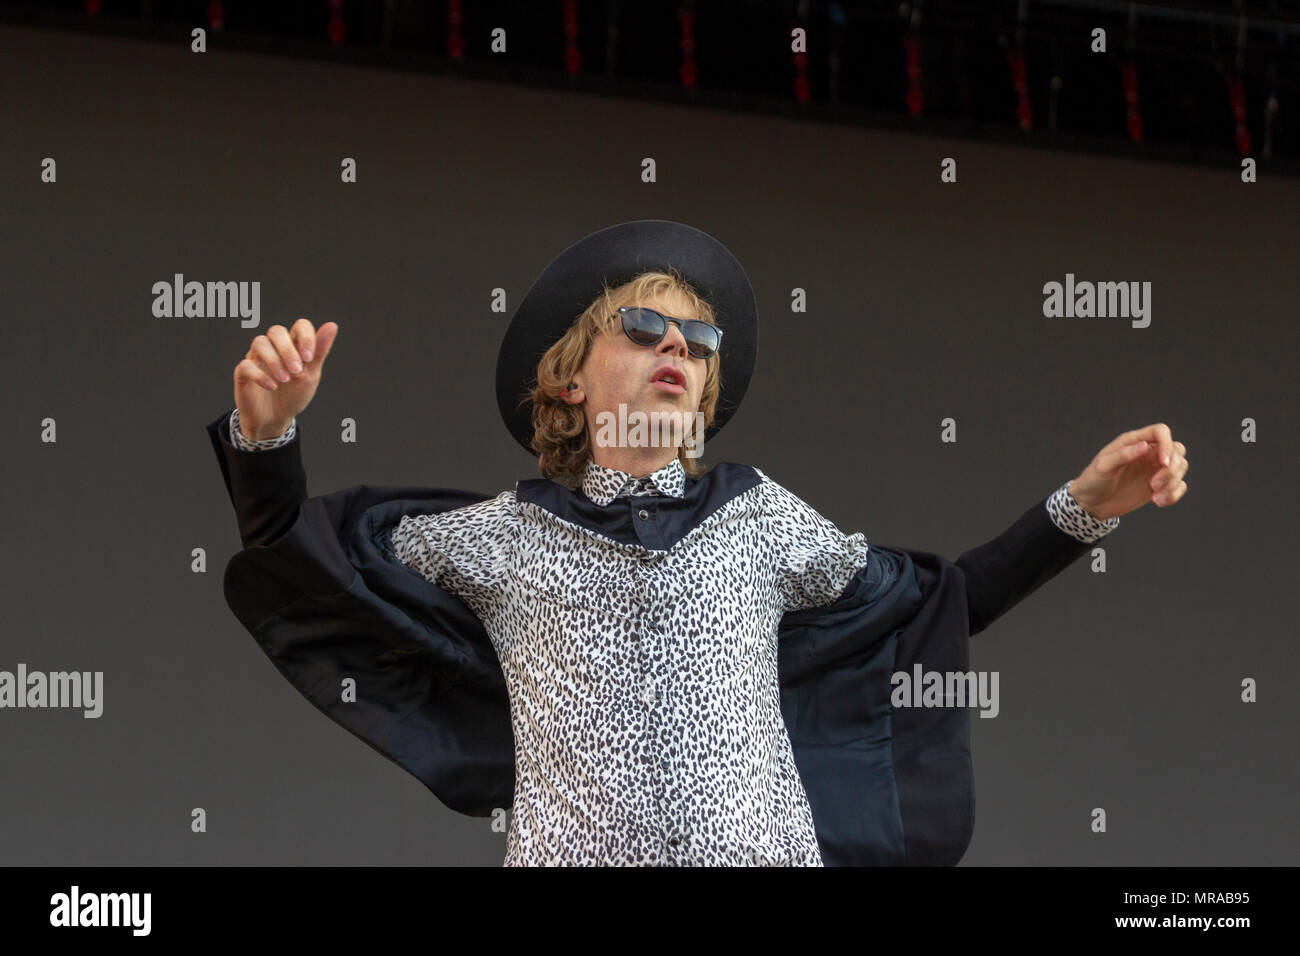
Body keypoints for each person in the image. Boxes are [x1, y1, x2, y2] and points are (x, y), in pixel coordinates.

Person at [207, 220, 1188, 866]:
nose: (677, 346)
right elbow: (307, 564)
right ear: (569, 382)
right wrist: (268, 433)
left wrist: (1083, 504)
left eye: (698, 341)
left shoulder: (764, 521)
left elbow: (941, 600)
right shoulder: (496, 539)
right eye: (643, 326)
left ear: (707, 394)